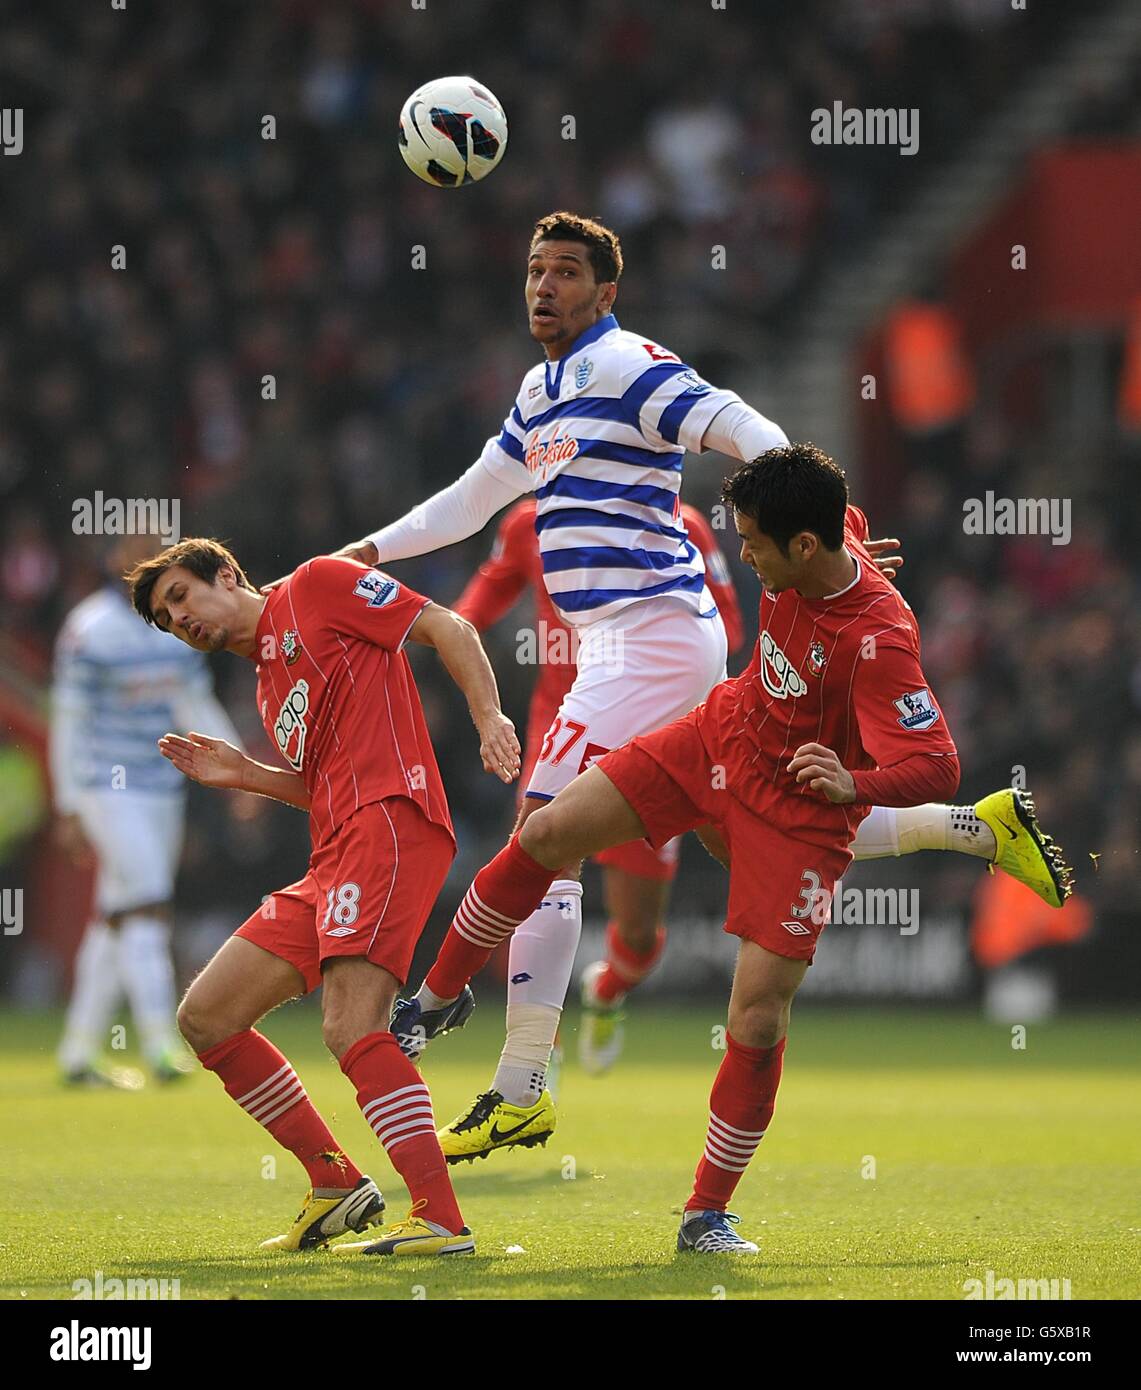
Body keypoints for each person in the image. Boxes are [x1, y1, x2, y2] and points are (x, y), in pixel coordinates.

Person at [319, 211, 1069, 1163]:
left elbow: (749, 430)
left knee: (545, 831)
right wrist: (368, 551)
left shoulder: (628, 364)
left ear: (605, 292)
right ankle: (974, 825)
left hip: (654, 637)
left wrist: (825, 522)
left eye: (566, 273)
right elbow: (471, 499)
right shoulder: (539, 390)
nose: (543, 286)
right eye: (534, 270)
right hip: (619, 647)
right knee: (748, 820)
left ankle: (514, 1076)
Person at [401, 444, 1066, 1251]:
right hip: (720, 736)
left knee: (752, 1018)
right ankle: (432, 1004)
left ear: (804, 548)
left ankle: (705, 1213)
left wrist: (853, 785)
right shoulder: (824, 536)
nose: (742, 554)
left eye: (753, 542)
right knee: (543, 833)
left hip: (800, 815)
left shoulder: (879, 638)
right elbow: (841, 517)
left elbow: (935, 761)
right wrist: (857, 546)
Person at [126, 537, 520, 1255]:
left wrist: (488, 717)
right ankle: (336, 1182)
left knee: (349, 1026)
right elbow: (322, 786)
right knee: (208, 1017)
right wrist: (246, 773)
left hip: (391, 824)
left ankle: (440, 1219)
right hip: (335, 850)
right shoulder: (267, 688)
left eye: (180, 596)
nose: (178, 619)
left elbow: (447, 626)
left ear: (227, 573)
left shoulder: (316, 586)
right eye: (163, 617)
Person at [453, 497, 745, 1076]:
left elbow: (729, 625)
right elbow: (473, 607)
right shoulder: (526, 524)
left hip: (652, 736)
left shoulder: (680, 525)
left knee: (638, 934)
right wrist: (424, 633)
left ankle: (608, 989)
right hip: (563, 726)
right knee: (538, 866)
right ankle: (537, 1057)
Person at [51, 534, 241, 1087]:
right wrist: (68, 803)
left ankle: (78, 1051)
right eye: (132, 549)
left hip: (161, 786)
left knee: (117, 914)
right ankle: (160, 1043)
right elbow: (68, 719)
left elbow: (192, 703)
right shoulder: (89, 630)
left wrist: (236, 769)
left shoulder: (174, 628)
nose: (142, 560)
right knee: (149, 905)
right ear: (112, 558)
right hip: (105, 788)